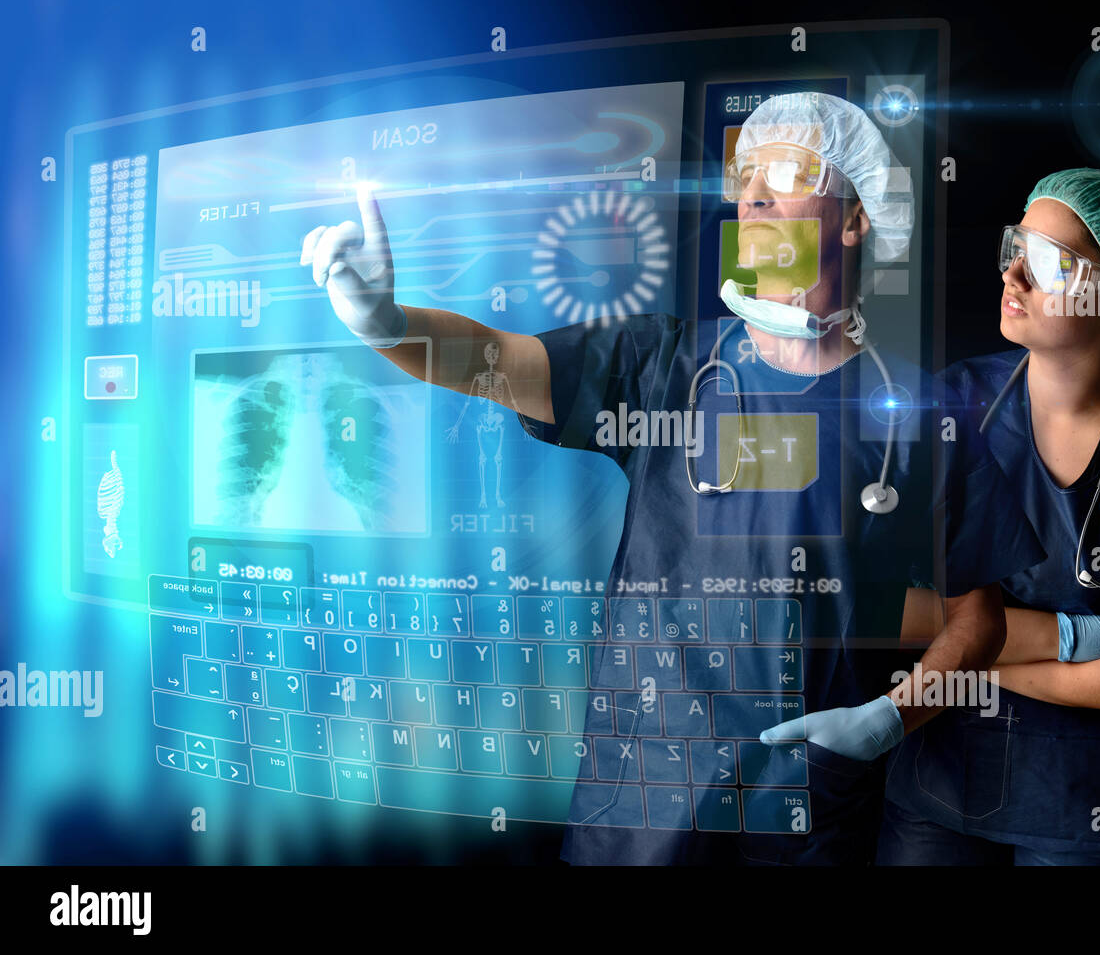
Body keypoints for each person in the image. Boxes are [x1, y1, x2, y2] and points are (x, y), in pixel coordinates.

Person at [300, 92, 1045, 865]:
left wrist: (890, 717)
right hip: (637, 810)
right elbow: (497, 361)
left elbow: (978, 618)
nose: (753, 193)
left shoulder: (917, 417)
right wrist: (388, 325)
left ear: (856, 218)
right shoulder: (666, 366)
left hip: (804, 816)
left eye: (786, 172)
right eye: (746, 177)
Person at [877, 169, 1100, 865]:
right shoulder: (953, 406)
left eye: (1052, 261)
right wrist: (1078, 636)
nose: (1016, 275)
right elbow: (889, 608)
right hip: (943, 778)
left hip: (1085, 802)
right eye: (1014, 246)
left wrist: (967, 658)